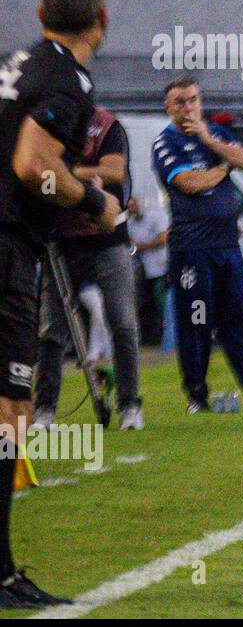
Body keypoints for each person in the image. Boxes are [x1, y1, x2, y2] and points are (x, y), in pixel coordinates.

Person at [1, 0, 123, 609]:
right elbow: (30, 166)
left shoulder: (21, 60)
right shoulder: (65, 76)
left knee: (14, 412)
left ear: (42, 11)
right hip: (7, 248)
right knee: (7, 414)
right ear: (100, 19)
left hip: (13, 244)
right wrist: (91, 200)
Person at [151, 78, 243, 413]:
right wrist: (223, 167)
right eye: (180, 102)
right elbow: (191, 183)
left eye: (193, 100)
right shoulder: (165, 144)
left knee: (240, 318)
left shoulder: (214, 134)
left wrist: (209, 140)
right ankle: (197, 395)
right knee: (196, 320)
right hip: (192, 247)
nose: (188, 107)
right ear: (169, 108)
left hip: (227, 243)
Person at [33, 104, 143, 430]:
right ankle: (45, 410)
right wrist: (83, 175)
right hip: (61, 239)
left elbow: (113, 171)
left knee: (122, 322)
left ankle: (130, 405)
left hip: (108, 238)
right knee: (52, 328)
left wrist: (68, 174)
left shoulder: (106, 125)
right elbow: (38, 174)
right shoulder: (48, 125)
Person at [126, 196, 171, 349]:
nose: (132, 209)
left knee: (163, 302)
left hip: (162, 267)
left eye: (134, 205)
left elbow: (163, 238)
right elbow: (131, 246)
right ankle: (157, 338)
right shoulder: (130, 224)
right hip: (146, 270)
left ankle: (171, 337)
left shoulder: (155, 216)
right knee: (150, 305)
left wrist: (141, 247)